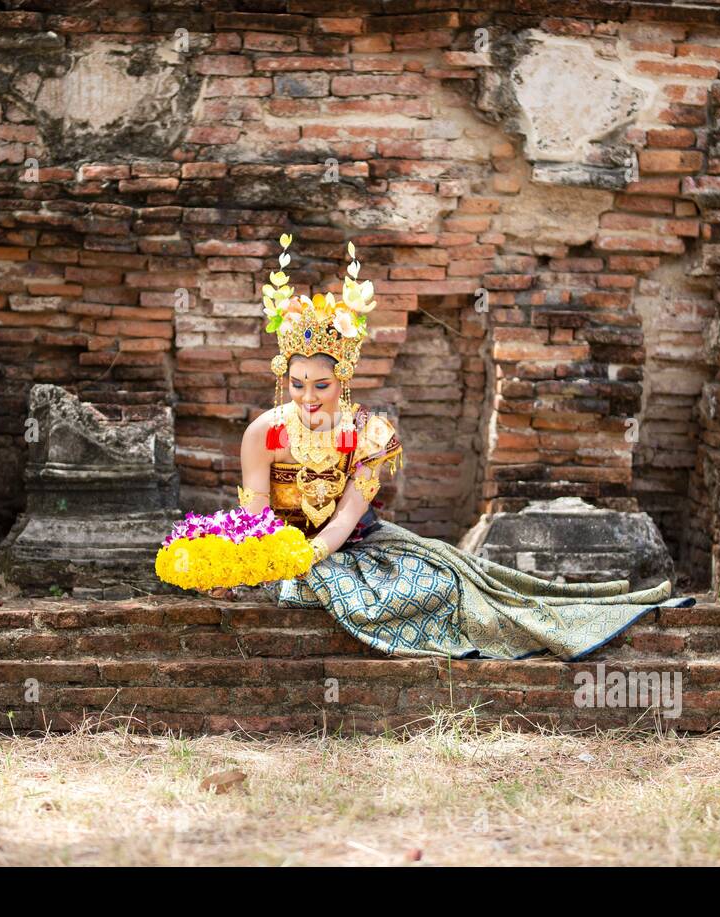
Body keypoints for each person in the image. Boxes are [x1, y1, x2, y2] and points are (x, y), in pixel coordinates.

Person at [217, 236, 694, 661]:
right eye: (297, 384)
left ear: (341, 380)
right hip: (285, 556)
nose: (307, 397)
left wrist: (306, 557)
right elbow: (257, 513)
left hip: (353, 548)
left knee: (449, 585)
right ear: (285, 378)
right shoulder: (264, 433)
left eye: (320, 384)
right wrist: (252, 560)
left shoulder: (368, 433)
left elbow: (345, 519)